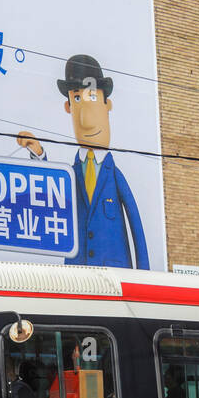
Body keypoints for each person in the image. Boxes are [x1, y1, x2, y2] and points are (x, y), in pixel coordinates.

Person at [15, 54, 149, 269]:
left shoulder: (114, 176)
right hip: (77, 273)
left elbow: (137, 229)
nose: (86, 119)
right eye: (77, 99)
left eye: (93, 98)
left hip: (115, 272)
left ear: (107, 104)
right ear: (68, 107)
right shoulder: (70, 176)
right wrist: (38, 153)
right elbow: (50, 191)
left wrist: (145, 279)